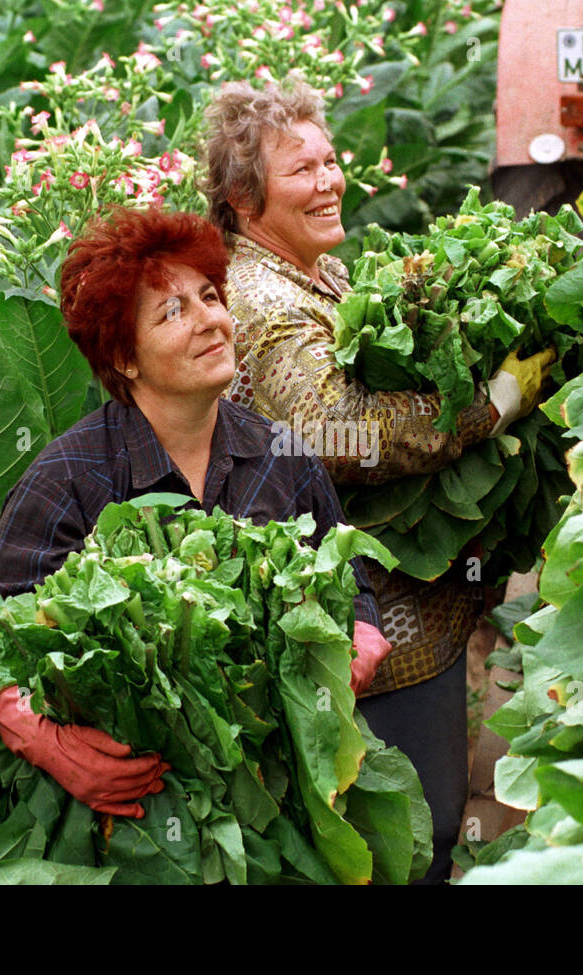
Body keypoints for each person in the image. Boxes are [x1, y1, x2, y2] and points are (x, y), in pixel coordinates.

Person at [201, 77, 552, 882]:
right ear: (246, 199)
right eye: (302, 171)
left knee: (420, 816)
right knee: (412, 831)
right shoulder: (262, 296)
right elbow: (336, 433)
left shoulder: (310, 272)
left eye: (330, 161)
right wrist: (484, 409)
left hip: (396, 613)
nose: (328, 182)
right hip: (367, 624)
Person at [0, 205, 393, 824]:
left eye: (210, 296)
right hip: (134, 809)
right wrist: (39, 736)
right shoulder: (71, 475)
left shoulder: (282, 454)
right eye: (173, 311)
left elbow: (350, 581)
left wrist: (359, 638)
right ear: (126, 360)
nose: (211, 322)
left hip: (274, 784)